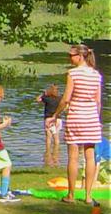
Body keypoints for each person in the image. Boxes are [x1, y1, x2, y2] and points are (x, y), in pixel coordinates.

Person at [52, 43, 103, 205]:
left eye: (71, 55)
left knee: (73, 157)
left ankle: (71, 195)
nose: (69, 58)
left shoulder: (73, 74)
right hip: (92, 118)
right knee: (90, 157)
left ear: (80, 56)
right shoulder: (96, 75)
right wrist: (97, 119)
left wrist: (55, 114)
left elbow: (66, 98)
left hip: (76, 116)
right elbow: (98, 102)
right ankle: (88, 196)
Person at [36, 84, 62, 166]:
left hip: (49, 119)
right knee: (57, 138)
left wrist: (43, 94)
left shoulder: (46, 98)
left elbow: (38, 100)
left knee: (49, 138)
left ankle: (48, 155)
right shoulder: (60, 98)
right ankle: (56, 156)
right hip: (58, 119)